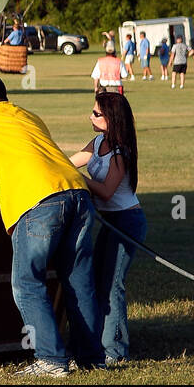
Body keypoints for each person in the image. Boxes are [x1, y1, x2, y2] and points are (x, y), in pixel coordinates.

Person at [0, 73, 103, 376]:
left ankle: (51, 360)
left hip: (38, 201)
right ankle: (91, 358)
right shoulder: (28, 116)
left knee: (27, 283)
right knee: (79, 280)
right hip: (77, 192)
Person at [69, 92, 145, 366]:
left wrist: (80, 179)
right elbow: (70, 162)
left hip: (126, 222)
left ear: (111, 119)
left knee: (112, 285)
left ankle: (115, 352)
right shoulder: (97, 141)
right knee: (97, 281)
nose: (91, 117)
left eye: (96, 114)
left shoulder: (119, 152)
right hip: (109, 222)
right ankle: (95, 344)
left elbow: (106, 192)